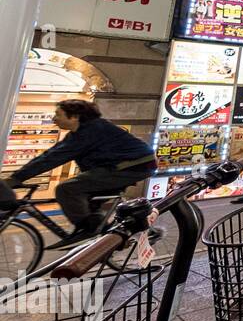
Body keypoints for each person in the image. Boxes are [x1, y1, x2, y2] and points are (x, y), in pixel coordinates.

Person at [0, 100, 155, 236]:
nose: (54, 119)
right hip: (122, 165)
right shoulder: (79, 133)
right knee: (87, 202)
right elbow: (50, 154)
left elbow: (53, 158)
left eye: (58, 114)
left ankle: (87, 230)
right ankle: (106, 234)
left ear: (74, 117)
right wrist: (18, 176)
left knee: (66, 189)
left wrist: (16, 179)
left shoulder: (90, 131)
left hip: (133, 165)